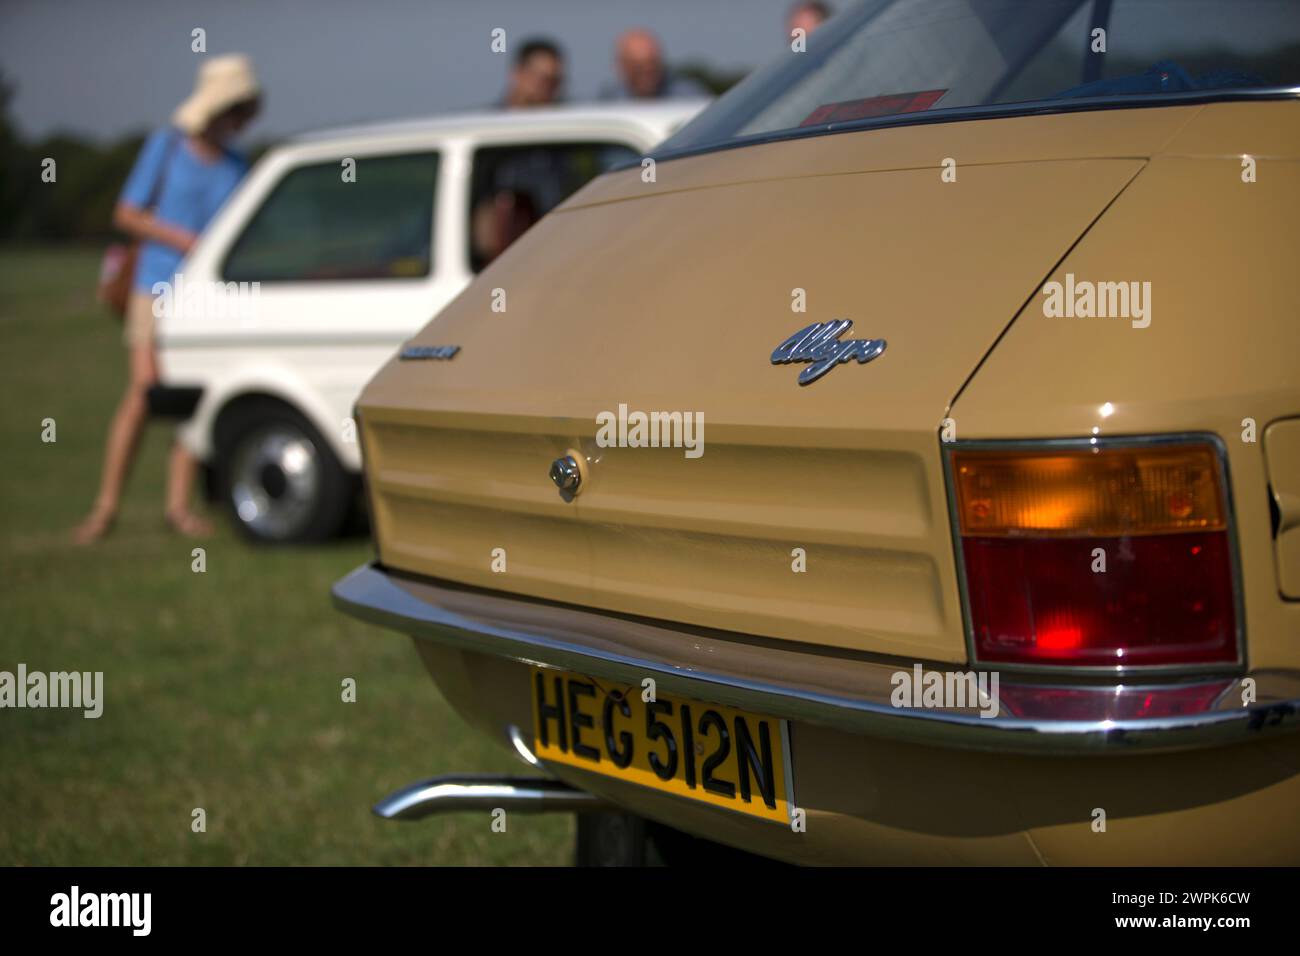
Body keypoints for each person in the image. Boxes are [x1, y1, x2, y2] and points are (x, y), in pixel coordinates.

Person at [73, 54, 261, 544]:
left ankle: (178, 508)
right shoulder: (167, 147)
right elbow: (127, 214)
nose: (241, 119)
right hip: (154, 284)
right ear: (216, 108)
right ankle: (105, 509)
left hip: (204, 292)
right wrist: (184, 241)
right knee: (145, 393)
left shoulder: (239, 164)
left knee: (193, 395)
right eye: (235, 108)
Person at [599, 29, 708, 100]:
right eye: (638, 66)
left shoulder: (690, 98)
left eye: (653, 63)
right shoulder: (610, 104)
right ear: (621, 66)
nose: (648, 70)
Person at [500, 37, 566, 108]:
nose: (547, 87)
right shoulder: (489, 116)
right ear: (518, 72)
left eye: (554, 80)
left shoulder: (570, 114)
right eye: (541, 78)